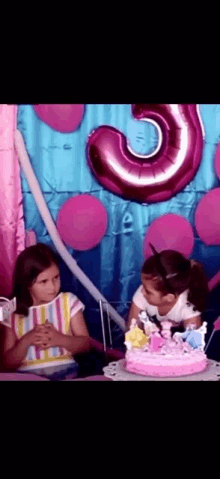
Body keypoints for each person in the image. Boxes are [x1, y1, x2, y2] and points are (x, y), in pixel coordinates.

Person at [3, 244, 124, 380]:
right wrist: (26, 340)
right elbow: (7, 363)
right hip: (27, 377)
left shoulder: (68, 302)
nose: (53, 286)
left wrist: (58, 339)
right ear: (27, 283)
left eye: (56, 277)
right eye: (43, 281)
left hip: (65, 373)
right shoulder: (13, 312)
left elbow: (85, 344)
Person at [127, 246, 209, 337]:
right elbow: (132, 333)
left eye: (148, 291)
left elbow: (194, 347)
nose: (142, 292)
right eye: (143, 285)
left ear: (169, 298)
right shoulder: (143, 294)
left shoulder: (188, 308)